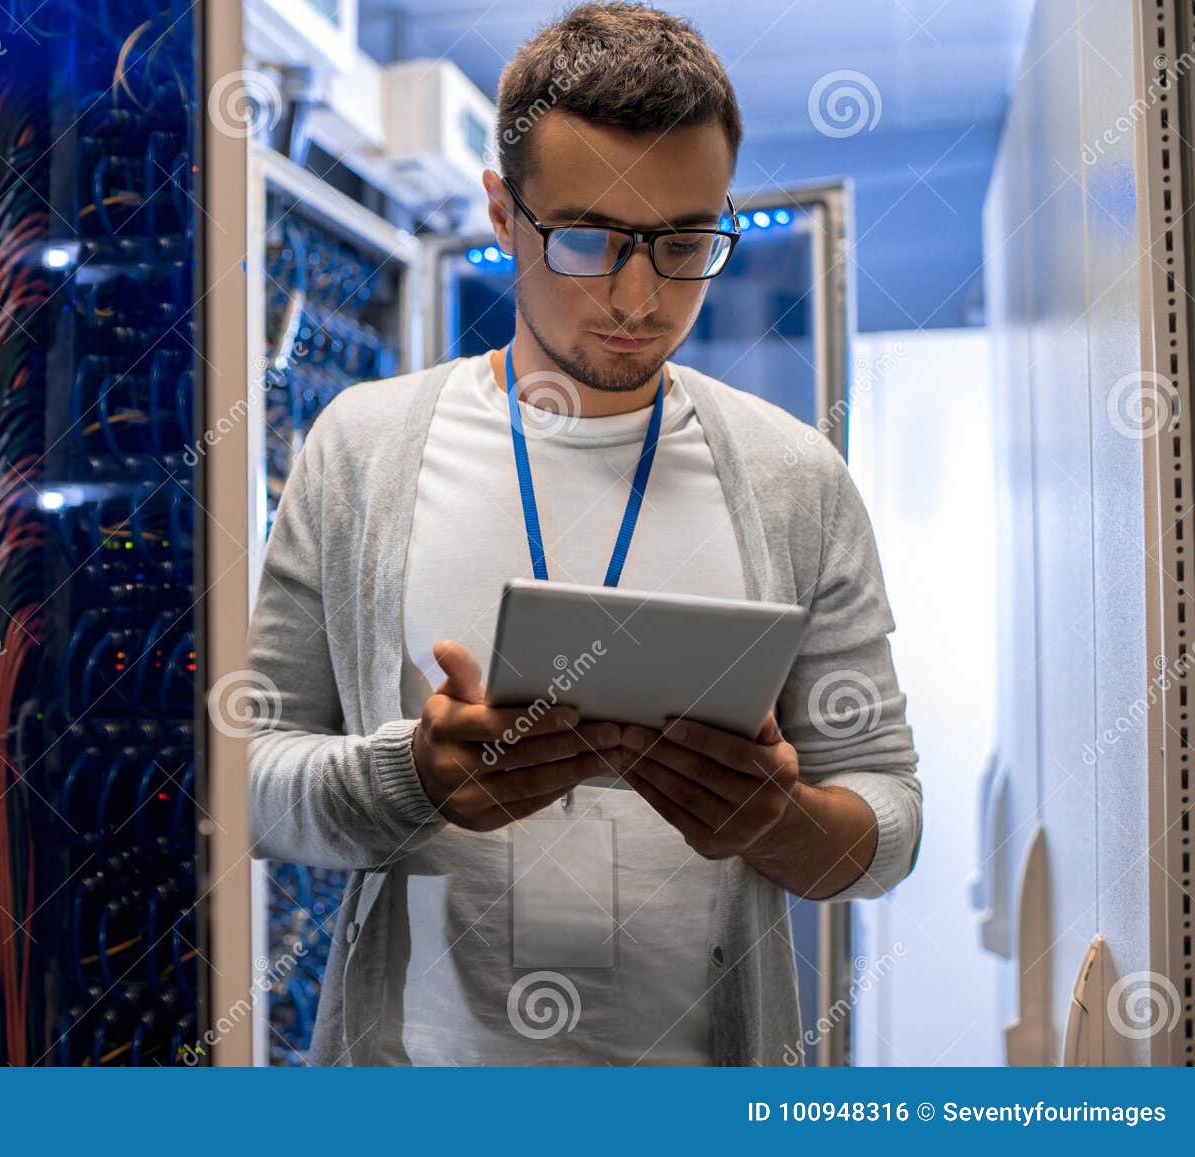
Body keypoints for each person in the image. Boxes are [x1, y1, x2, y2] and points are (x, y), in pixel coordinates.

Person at [246, 2, 921, 1066]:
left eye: (686, 243)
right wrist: (411, 777)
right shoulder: (363, 449)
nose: (639, 296)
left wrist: (776, 819)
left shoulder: (798, 480)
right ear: (501, 217)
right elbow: (247, 779)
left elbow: (887, 817)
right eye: (590, 239)